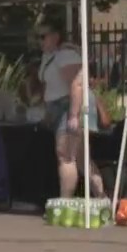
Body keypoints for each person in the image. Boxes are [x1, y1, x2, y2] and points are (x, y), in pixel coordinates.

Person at [36, 19, 87, 198]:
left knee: (65, 154)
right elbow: (47, 86)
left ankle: (65, 202)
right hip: (55, 108)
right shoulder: (48, 57)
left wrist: (74, 115)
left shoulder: (65, 55)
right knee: (80, 159)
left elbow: (77, 84)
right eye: (37, 37)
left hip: (68, 107)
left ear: (55, 36)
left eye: (43, 36)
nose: (39, 41)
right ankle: (103, 197)